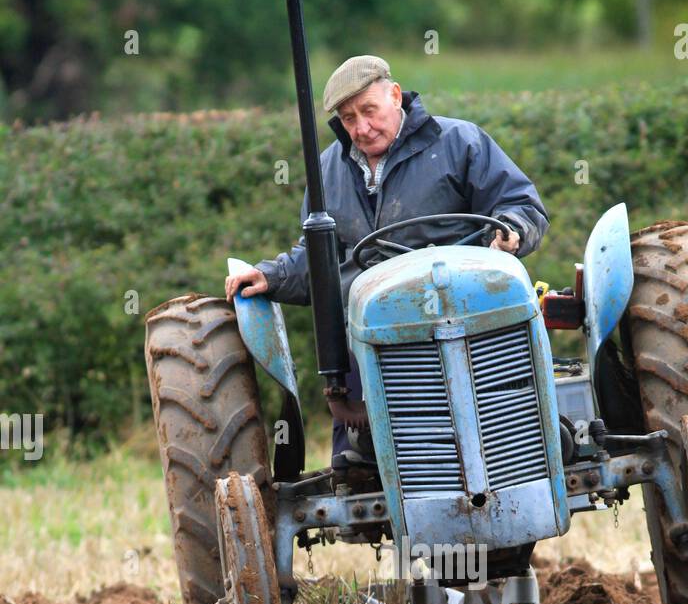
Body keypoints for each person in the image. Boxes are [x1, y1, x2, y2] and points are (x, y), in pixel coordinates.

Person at [225, 54, 549, 470]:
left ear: (395, 96)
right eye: (347, 118)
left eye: (368, 111)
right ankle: (370, 460)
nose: (361, 128)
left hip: (465, 320)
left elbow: (521, 204)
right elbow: (318, 261)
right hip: (375, 335)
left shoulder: (459, 143)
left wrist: (511, 229)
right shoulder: (327, 172)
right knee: (354, 464)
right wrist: (271, 274)